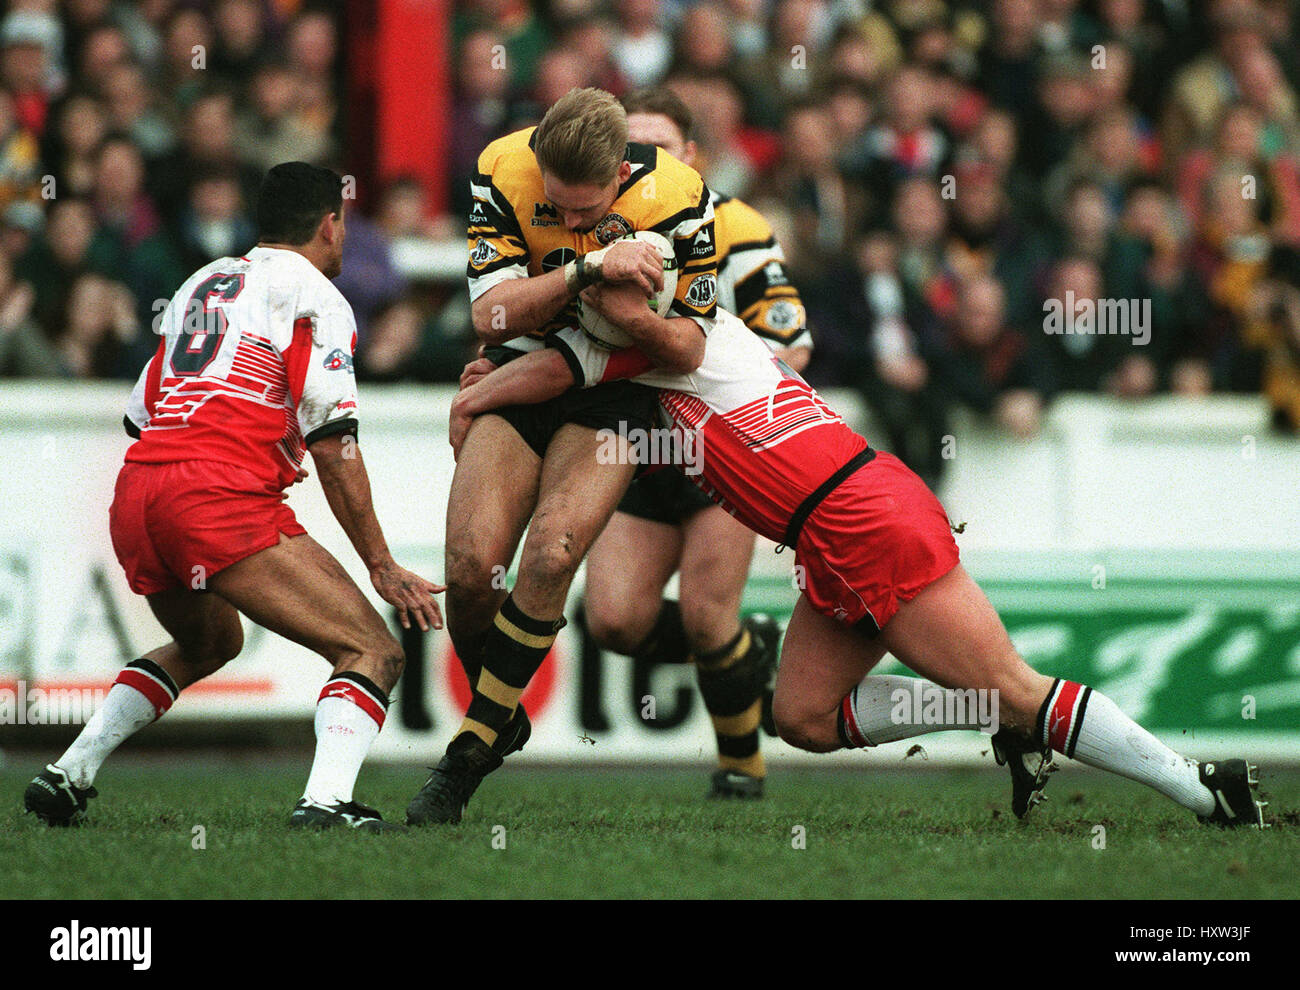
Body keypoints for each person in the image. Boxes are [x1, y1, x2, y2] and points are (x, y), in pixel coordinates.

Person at [443, 285, 1266, 830]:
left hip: (866, 518)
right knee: (802, 718)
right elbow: (565, 363)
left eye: (618, 298)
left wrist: (477, 390)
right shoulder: (664, 342)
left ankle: (1203, 788)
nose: (607, 311)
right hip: (828, 537)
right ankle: (994, 720)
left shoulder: (672, 343)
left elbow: (558, 366)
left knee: (1017, 683)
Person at [23, 162, 443, 832]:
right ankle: (325, 803)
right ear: (330, 225)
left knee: (211, 640)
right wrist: (381, 563)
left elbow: (141, 414)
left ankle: (67, 771)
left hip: (139, 493)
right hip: (215, 497)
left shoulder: (204, 281)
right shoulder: (314, 296)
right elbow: (335, 444)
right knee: (373, 649)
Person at [404, 86, 719, 827]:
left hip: (617, 392)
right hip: (517, 370)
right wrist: (589, 267)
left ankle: (469, 754)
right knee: (469, 570)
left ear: (622, 172)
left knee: (552, 552)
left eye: (587, 211)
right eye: (559, 208)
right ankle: (499, 709)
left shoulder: (679, 196)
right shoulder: (503, 167)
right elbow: (491, 312)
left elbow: (692, 346)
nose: (571, 222)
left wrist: (632, 314)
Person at [581, 87, 812, 800]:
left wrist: (725, 401)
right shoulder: (591, 224)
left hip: (717, 444)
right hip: (633, 441)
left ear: (691, 156)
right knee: (614, 619)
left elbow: (790, 345)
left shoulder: (739, 225)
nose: (643, 161)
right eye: (631, 149)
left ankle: (741, 768)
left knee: (711, 613)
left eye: (659, 146)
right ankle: (755, 647)